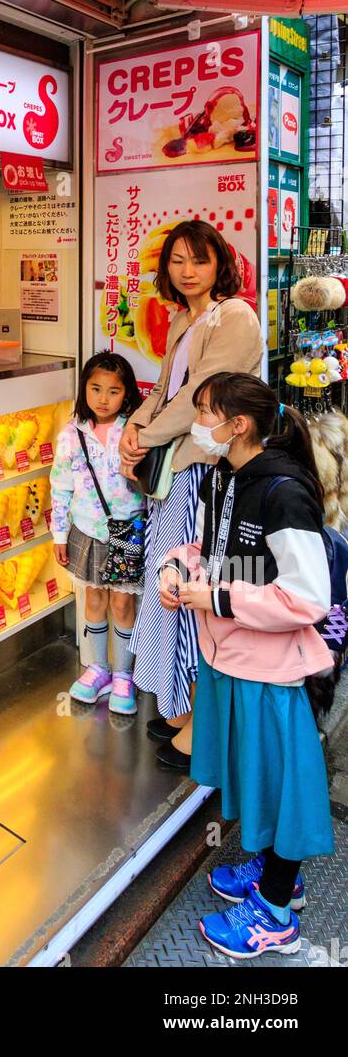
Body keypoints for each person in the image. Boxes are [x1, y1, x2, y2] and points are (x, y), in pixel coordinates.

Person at [159, 373, 334, 959]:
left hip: (271, 670)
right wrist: (176, 570)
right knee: (255, 774)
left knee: (283, 785)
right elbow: (206, 551)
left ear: (239, 425)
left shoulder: (283, 492)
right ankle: (269, 870)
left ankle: (278, 912)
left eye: (205, 411)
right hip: (229, 659)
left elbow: (308, 597)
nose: (196, 422)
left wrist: (216, 599)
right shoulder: (220, 479)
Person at [118, 220, 262, 771]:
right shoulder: (184, 316)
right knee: (167, 586)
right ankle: (180, 707)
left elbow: (203, 396)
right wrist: (135, 427)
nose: (186, 271)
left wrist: (147, 436)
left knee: (190, 589)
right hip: (175, 467)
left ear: (218, 263)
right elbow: (163, 391)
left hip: (205, 470)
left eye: (198, 260)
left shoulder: (235, 316)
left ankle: (205, 724)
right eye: (177, 260)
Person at [52, 351, 145, 714]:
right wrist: (59, 535)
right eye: (95, 389)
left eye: (113, 391)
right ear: (84, 390)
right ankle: (98, 668)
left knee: (123, 602)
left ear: (127, 394)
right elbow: (59, 487)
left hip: (127, 529)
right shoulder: (71, 433)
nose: (103, 399)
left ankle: (124, 674)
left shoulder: (135, 429)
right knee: (93, 599)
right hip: (87, 529)